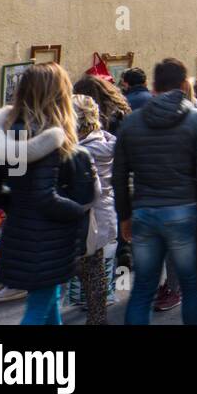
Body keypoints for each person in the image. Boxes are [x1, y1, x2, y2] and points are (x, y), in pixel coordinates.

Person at [0, 63, 97, 325]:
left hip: (20, 234)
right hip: (47, 240)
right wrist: (78, 211)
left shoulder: (10, 132)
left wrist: (17, 206)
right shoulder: (47, 135)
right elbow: (44, 197)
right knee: (37, 309)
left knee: (49, 300)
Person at [113, 58, 197, 325]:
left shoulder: (131, 123)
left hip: (145, 212)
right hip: (186, 211)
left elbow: (119, 175)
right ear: (183, 84)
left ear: (154, 85)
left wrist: (124, 217)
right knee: (193, 288)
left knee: (143, 288)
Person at [69, 95, 117, 325]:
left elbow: (88, 191)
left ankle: (97, 319)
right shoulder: (107, 141)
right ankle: (97, 319)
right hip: (103, 213)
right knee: (94, 271)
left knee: (88, 271)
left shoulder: (82, 151)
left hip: (90, 218)